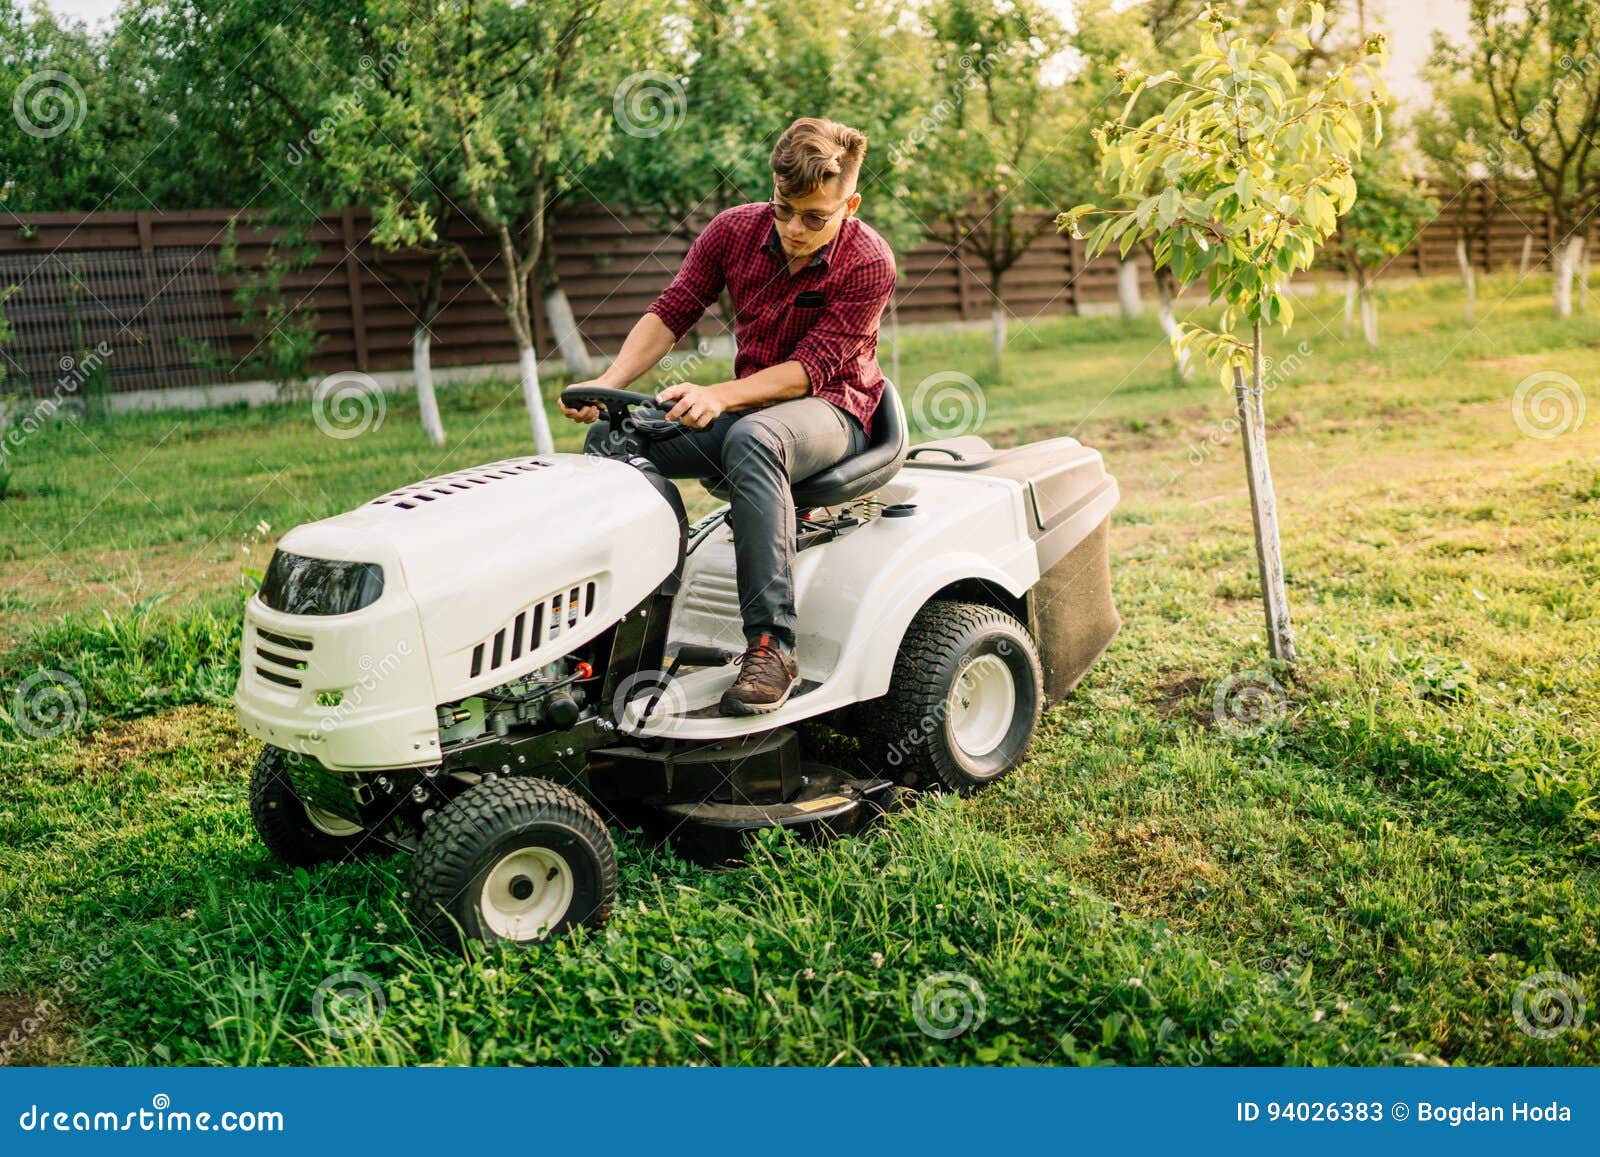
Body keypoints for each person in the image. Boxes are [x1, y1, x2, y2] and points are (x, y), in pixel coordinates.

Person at [561, 117, 895, 716]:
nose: (794, 228)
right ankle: (609, 636)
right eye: (784, 208)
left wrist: (720, 394)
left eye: (815, 217)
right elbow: (672, 311)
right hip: (748, 411)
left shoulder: (869, 261)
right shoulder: (732, 232)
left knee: (754, 436)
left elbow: (811, 369)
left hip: (834, 412)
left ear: (852, 204)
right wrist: (607, 385)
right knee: (609, 440)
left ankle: (772, 646)